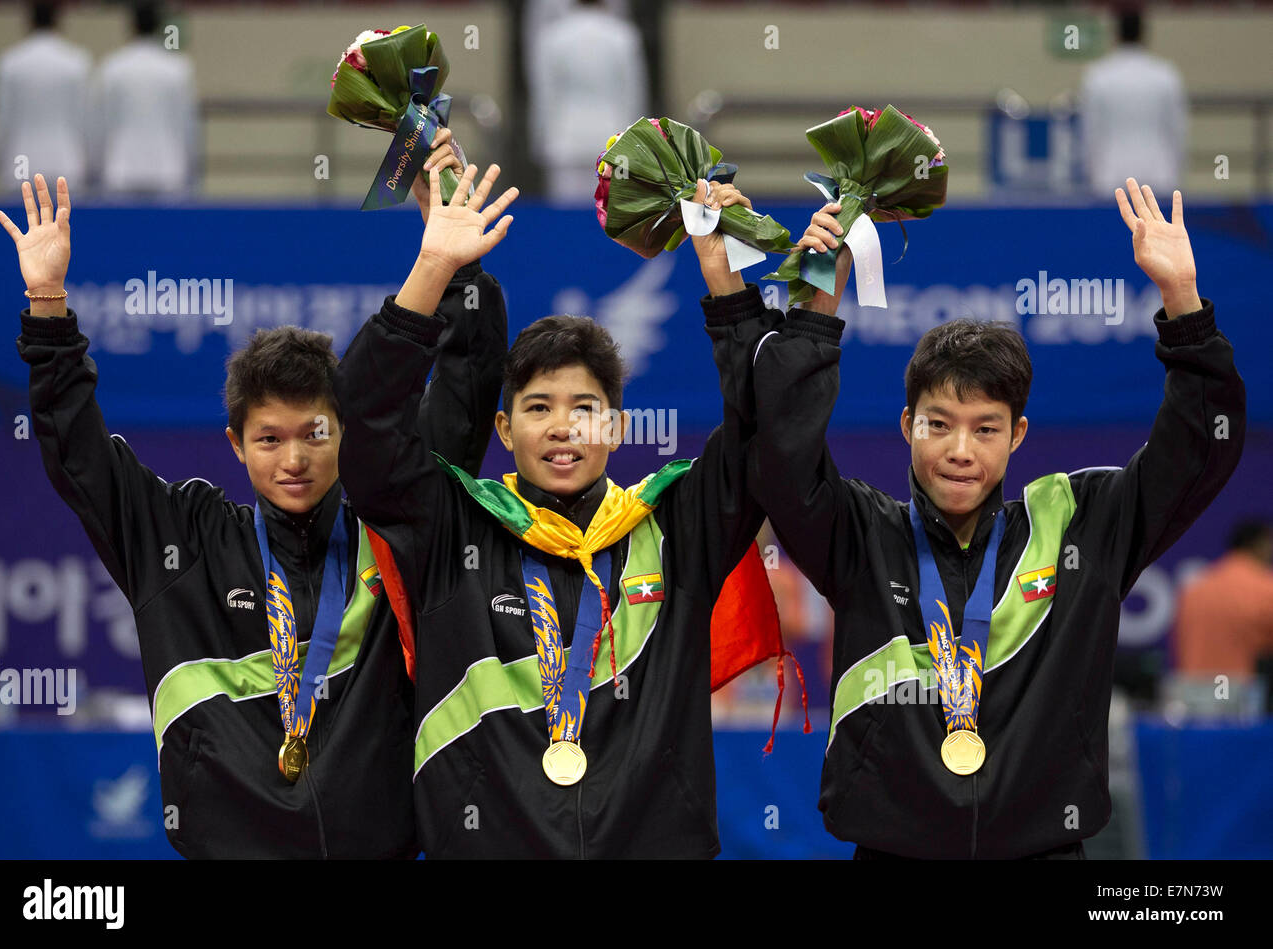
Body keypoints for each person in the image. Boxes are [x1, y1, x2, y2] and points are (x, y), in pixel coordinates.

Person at [0, 129, 505, 859]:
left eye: (314, 434)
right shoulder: (185, 543)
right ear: (236, 444)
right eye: (269, 439)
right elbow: (79, 457)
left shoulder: (397, 527)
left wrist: (458, 264)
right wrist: (47, 303)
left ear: (344, 436)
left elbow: (464, 390)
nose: (294, 459)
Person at [749, 179, 1244, 859]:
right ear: (906, 426)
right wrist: (817, 300)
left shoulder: (1081, 526)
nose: (959, 449)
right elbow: (779, 454)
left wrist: (1183, 301)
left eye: (985, 428)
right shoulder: (861, 535)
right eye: (939, 424)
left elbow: (1203, 446)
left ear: (1017, 434)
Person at [335, 168, 786, 857]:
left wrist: (725, 279)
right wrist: (433, 270)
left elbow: (765, 433)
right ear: (506, 430)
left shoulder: (674, 528)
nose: (563, 427)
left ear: (614, 427)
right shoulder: (453, 526)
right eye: (539, 408)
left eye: (585, 409)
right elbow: (365, 434)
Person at [526, 0, 648, 204]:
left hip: (564, 139)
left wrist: (540, 140)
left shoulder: (551, 37)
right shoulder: (623, 36)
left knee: (566, 218)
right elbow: (633, 95)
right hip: (613, 138)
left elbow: (545, 96)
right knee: (610, 214)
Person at [91, 1, 198, 196]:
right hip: (168, 171)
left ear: (132, 27)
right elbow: (187, 126)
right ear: (159, 27)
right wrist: (191, 172)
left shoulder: (112, 68)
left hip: (121, 171)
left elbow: (101, 125)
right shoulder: (178, 69)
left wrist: (96, 170)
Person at [1079, 8, 1187, 197]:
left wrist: (1091, 170)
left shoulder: (1098, 76)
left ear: (1115, 35)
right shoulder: (1165, 75)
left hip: (1111, 173)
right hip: (1159, 172)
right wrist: (1177, 169)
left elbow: (1091, 130)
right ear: (1144, 35)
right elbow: (1177, 128)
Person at [0, 2, 92, 193]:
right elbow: (84, 119)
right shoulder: (75, 62)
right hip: (65, 164)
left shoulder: (10, 62)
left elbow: (3, 120)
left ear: (28, 21)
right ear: (58, 21)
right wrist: (88, 164)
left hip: (20, 164)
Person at [1173, 520, 1273, 679]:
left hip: (1193, 690)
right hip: (1240, 693)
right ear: (1260, 544)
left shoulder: (1196, 588)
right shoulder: (1266, 588)